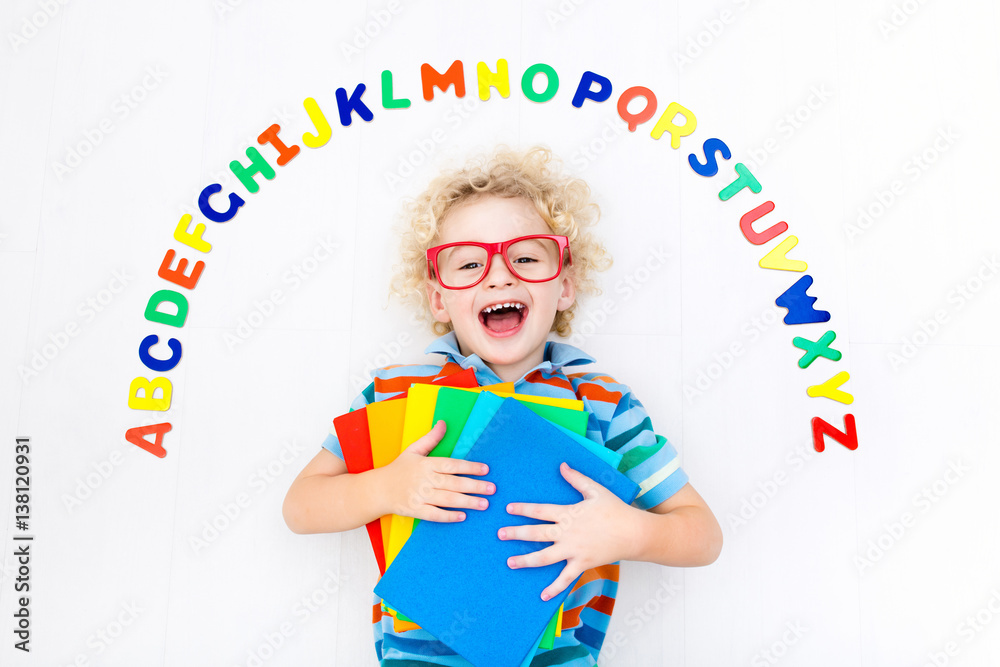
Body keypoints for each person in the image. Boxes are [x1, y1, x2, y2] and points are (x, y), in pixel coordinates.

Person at [283, 146, 722, 666]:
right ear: (439, 298)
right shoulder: (395, 391)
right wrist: (385, 488)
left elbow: (703, 535)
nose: (499, 277)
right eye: (470, 263)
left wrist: (629, 532)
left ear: (564, 285)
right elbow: (300, 507)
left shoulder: (604, 403)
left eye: (526, 258)